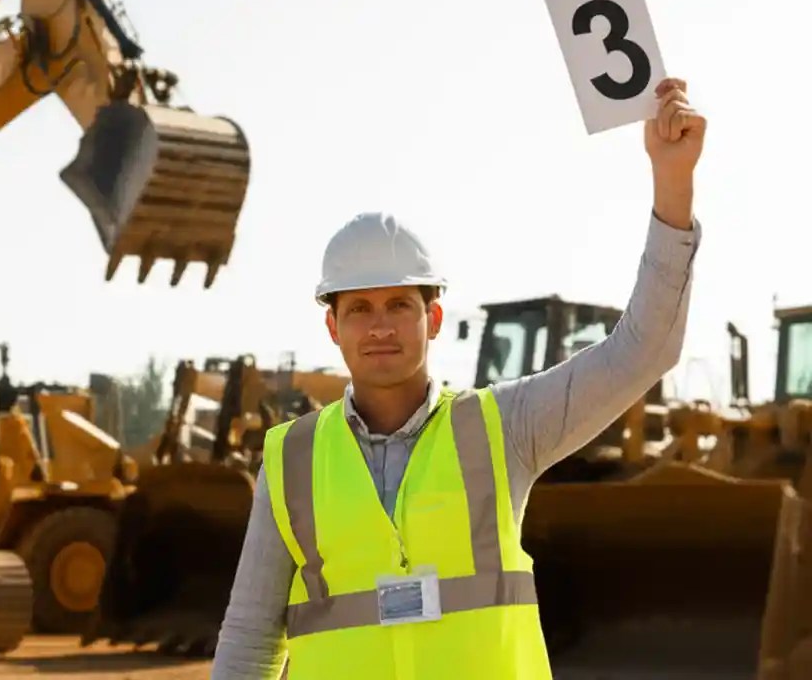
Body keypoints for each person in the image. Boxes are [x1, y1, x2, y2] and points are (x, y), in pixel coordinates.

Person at [210, 77, 706, 680]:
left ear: (434, 318)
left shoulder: (505, 429)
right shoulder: (290, 460)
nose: (380, 326)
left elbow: (643, 350)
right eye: (359, 309)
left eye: (399, 305)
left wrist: (672, 182)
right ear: (333, 328)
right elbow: (251, 638)